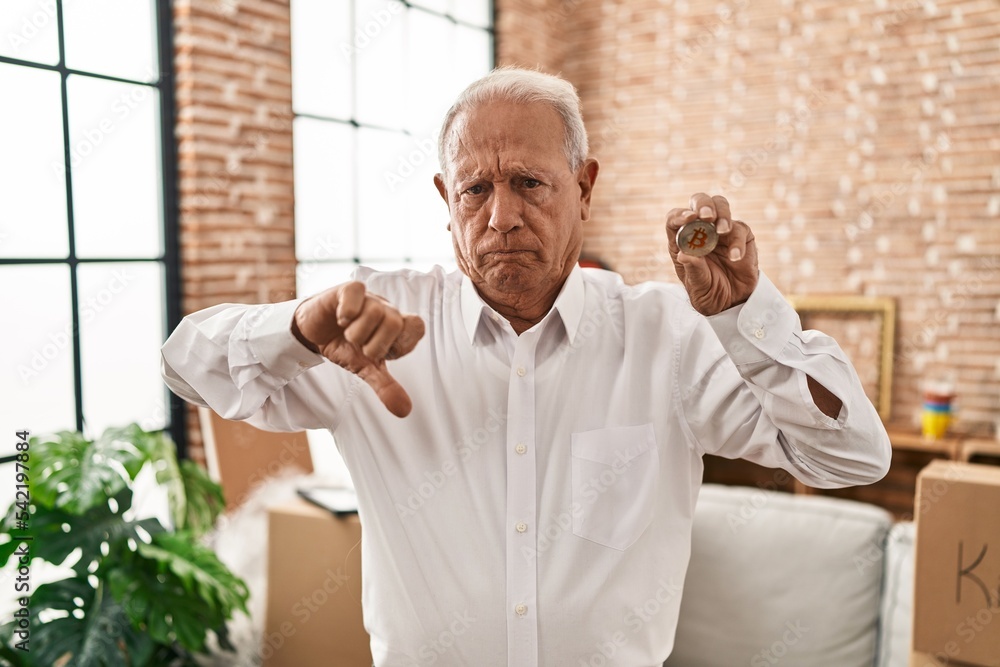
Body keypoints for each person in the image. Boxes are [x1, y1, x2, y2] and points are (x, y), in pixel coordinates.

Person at [161, 67, 891, 666]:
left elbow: (852, 454)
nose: (501, 216)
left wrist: (746, 320)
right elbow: (184, 365)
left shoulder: (667, 334)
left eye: (530, 184)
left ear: (584, 187)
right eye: (476, 189)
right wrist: (294, 329)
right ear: (448, 203)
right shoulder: (371, 329)